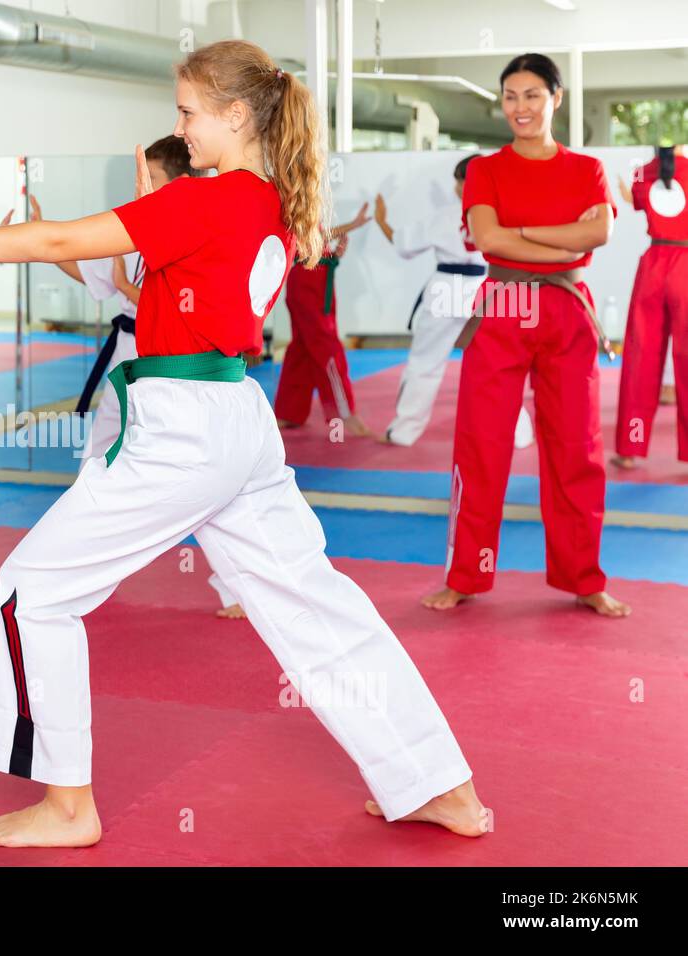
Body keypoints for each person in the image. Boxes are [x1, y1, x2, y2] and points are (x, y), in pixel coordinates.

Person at [0, 39, 486, 849]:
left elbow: (59, 243)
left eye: (188, 112)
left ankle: (68, 806)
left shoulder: (208, 198)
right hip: (238, 415)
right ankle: (438, 784)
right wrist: (153, 220)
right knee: (316, 602)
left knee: (32, 590)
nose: (181, 126)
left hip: (183, 430)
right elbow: (146, 273)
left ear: (235, 115)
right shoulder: (271, 198)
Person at [423, 53, 630, 618]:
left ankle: (583, 578)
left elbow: (601, 232)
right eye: (511, 96)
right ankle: (466, 573)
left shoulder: (586, 167)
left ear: (555, 99)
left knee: (577, 450)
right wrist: (563, 243)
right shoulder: (487, 169)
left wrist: (526, 233)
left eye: (533, 95)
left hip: (567, 309)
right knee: (482, 446)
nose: (521, 107)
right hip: (504, 306)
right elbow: (490, 240)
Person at [30, 135, 201, 467]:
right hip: (126, 346)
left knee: (160, 441)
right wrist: (41, 243)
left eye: (151, 178)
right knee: (106, 433)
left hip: (165, 353)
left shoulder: (192, 237)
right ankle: (88, 498)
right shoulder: (135, 230)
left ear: (180, 184)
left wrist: (124, 285)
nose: (141, 186)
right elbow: (87, 269)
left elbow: (169, 306)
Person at [375, 157, 533, 448]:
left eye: (458, 180)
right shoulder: (502, 215)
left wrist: (381, 220)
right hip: (486, 291)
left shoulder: (444, 216)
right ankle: (519, 434)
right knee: (500, 366)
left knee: (425, 363)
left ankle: (403, 431)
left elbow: (402, 244)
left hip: (445, 290)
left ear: (463, 184)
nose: (456, 187)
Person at [611, 145, 688, 470]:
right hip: (685, 265)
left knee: (641, 357)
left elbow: (637, 200)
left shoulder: (643, 172)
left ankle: (630, 448)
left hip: (654, 264)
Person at [272, 205, 373, 437]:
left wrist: (330, 254)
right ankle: (345, 413)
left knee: (302, 348)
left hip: (315, 276)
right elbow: (308, 238)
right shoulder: (292, 190)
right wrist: (352, 225)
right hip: (307, 281)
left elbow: (312, 239)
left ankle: (290, 412)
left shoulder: (306, 189)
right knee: (326, 346)